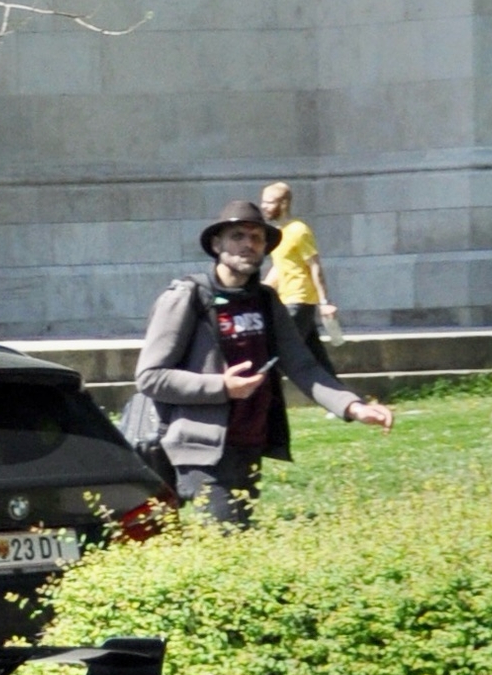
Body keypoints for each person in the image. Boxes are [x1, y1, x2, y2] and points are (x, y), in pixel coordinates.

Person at [134, 199, 392, 526]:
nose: (248, 245)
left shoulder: (266, 301)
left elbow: (303, 366)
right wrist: (221, 387)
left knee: (238, 541)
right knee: (226, 544)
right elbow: (150, 377)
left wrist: (353, 407)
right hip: (201, 448)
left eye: (256, 238)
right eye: (237, 236)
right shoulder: (187, 297)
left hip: (249, 443)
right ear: (217, 244)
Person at [259, 181, 339, 373]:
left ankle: (259, 393)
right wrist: (259, 292)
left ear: (284, 204)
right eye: (263, 202)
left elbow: (315, 266)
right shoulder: (279, 233)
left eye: (269, 202)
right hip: (288, 299)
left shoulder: (299, 230)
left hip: (299, 300)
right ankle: (346, 398)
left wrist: (325, 301)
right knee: (318, 360)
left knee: (277, 353)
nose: (264, 207)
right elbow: (279, 269)